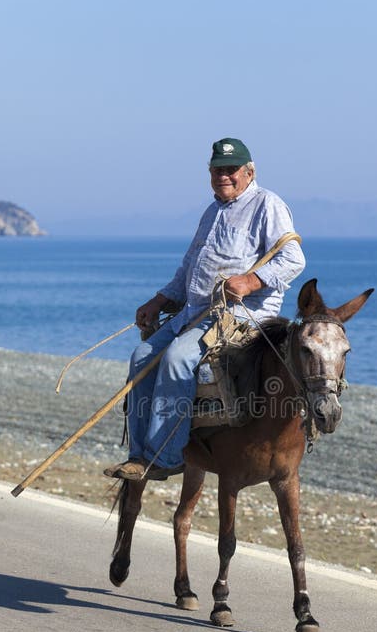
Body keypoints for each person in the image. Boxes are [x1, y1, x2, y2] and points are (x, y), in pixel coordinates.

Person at [104, 137, 305, 482]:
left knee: (177, 358)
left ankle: (165, 457)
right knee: (141, 357)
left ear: (249, 172)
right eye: (217, 170)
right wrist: (158, 301)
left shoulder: (267, 204)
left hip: (238, 315)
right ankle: (139, 455)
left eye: (231, 169)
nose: (223, 176)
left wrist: (251, 281)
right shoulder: (212, 211)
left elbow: (293, 259)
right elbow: (189, 270)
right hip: (195, 313)